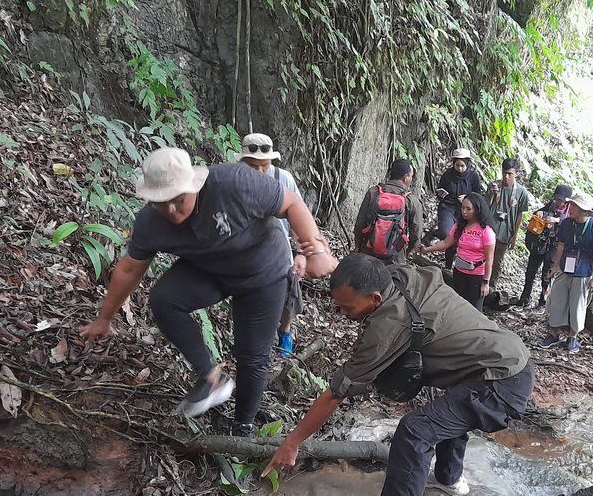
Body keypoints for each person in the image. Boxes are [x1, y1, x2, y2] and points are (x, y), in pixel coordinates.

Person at [260, 254, 534, 496]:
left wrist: (293, 442)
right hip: (498, 359)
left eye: (348, 308)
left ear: (375, 299)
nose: (343, 315)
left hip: (502, 381)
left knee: (415, 431)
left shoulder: (387, 325)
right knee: (448, 410)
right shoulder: (398, 276)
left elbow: (335, 393)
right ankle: (450, 479)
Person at [80, 147, 337, 436]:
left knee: (252, 356)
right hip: (210, 271)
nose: (172, 212)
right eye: (161, 204)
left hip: (262, 272)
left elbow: (291, 203)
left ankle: (242, 428)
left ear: (194, 186)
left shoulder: (233, 183)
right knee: (164, 299)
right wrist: (104, 318)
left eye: (179, 201)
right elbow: (129, 269)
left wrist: (315, 250)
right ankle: (210, 376)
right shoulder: (150, 224)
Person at [236, 131, 303, 355]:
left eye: (263, 165)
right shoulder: (236, 179)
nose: (259, 171)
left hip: (281, 253)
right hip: (249, 252)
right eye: (252, 165)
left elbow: (300, 217)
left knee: (287, 296)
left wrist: (302, 252)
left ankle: (285, 332)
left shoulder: (284, 179)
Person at [538, 191, 593, 354]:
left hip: (583, 272)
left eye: (575, 205)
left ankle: (572, 336)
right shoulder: (567, 223)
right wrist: (555, 267)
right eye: (571, 204)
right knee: (557, 302)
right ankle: (553, 334)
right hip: (565, 269)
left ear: (585, 211)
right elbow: (561, 245)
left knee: (577, 307)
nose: (571, 207)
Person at [417, 193, 496, 311]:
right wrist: (426, 250)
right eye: (463, 208)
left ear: (477, 209)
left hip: (477, 276)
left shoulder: (486, 231)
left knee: (474, 311)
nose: (464, 211)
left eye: (468, 209)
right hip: (459, 272)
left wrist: (486, 282)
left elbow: (489, 258)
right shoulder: (459, 226)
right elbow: (445, 243)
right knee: (457, 306)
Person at [353, 158, 423, 263]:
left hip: (368, 251)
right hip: (395, 256)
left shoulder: (373, 192)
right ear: (405, 177)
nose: (411, 179)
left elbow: (360, 223)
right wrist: (407, 252)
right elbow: (416, 233)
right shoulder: (411, 200)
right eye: (411, 176)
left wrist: (358, 246)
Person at [518, 184, 572, 310]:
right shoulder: (551, 205)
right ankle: (524, 298)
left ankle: (543, 302)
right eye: (557, 199)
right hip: (541, 243)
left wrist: (557, 221)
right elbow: (537, 214)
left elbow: (571, 225)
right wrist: (541, 214)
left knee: (547, 275)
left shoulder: (570, 211)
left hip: (555, 246)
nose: (558, 202)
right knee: (530, 271)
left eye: (561, 200)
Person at [486, 158, 530, 291]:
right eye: (504, 173)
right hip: (489, 229)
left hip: (506, 232)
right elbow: (485, 207)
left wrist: (514, 235)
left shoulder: (521, 192)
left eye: (509, 174)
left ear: (516, 173)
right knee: (484, 256)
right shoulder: (494, 186)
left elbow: (520, 215)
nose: (506, 176)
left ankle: (491, 286)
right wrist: (492, 194)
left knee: (497, 261)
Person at [434, 148, 483, 269]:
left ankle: (449, 264)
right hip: (448, 207)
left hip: (465, 211)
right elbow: (440, 190)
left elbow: (478, 196)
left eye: (462, 166)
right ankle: (434, 234)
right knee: (446, 233)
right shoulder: (447, 175)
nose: (460, 169)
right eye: (457, 165)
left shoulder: (473, 177)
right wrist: (441, 194)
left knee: (458, 237)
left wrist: (467, 199)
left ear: (467, 164)